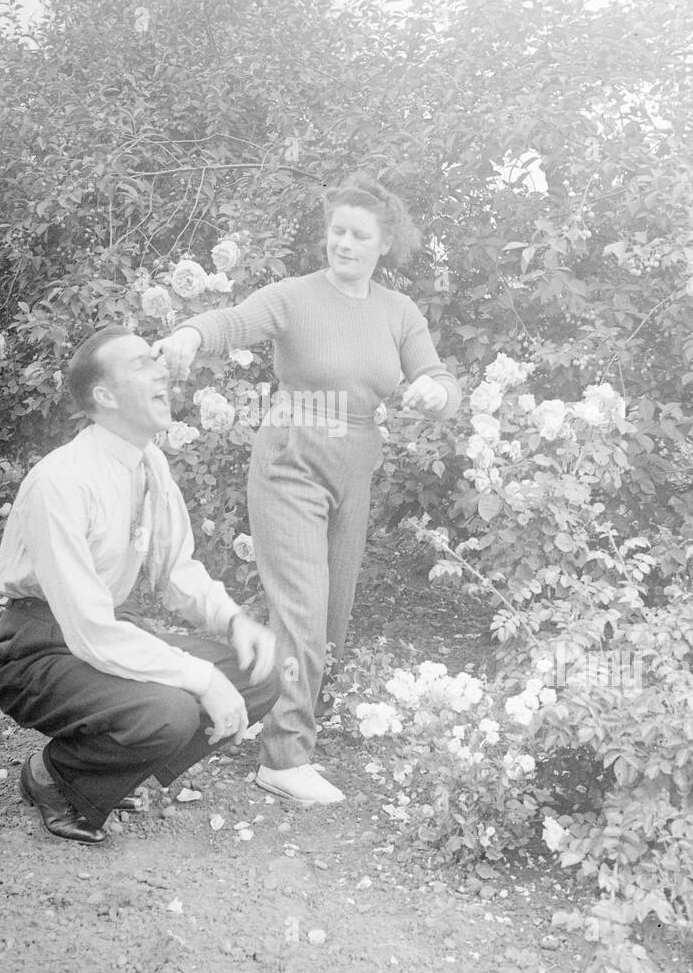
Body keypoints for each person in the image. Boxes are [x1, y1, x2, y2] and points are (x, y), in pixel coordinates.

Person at [154, 172, 462, 804]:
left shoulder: (398, 312)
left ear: (384, 244)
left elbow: (436, 377)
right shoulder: (294, 297)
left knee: (331, 619)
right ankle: (284, 757)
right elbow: (233, 322)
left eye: (359, 235)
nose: (344, 244)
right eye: (336, 232)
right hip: (291, 457)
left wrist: (437, 393)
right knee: (304, 606)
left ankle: (221, 701)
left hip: (356, 465)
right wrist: (189, 333)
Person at [0, 325, 280, 844]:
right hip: (30, 651)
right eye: (142, 364)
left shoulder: (149, 463)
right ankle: (55, 775)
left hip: (96, 632)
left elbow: (176, 570)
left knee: (257, 674)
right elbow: (90, 629)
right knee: (170, 709)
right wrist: (200, 678)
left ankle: (117, 774)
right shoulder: (62, 481)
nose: (162, 369)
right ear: (105, 396)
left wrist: (234, 621)